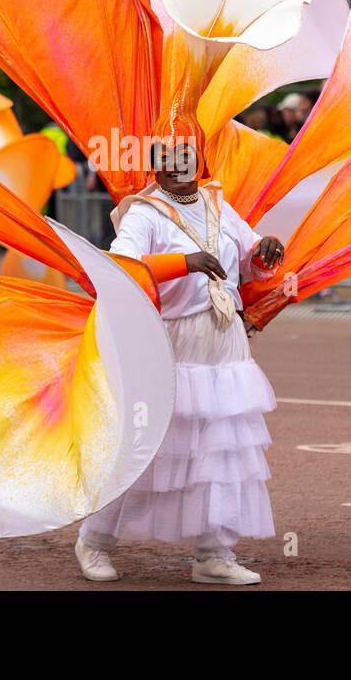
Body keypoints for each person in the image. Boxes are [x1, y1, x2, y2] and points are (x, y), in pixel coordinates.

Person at [74, 122, 285, 585]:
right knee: (146, 444)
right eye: (166, 157)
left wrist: (264, 252)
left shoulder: (218, 206)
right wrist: (182, 264)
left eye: (184, 155)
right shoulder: (143, 214)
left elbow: (248, 259)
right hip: (172, 343)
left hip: (225, 341)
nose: (176, 165)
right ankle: (94, 540)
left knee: (223, 445)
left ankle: (214, 554)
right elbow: (120, 267)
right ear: (155, 164)